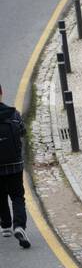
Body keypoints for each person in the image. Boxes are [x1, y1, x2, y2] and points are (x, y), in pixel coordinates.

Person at [0, 84, 29, 249]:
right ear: (2, 93)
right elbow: (23, 131)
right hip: (15, 165)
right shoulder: (13, 114)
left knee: (0, 196)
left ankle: (5, 225)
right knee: (18, 196)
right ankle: (19, 226)